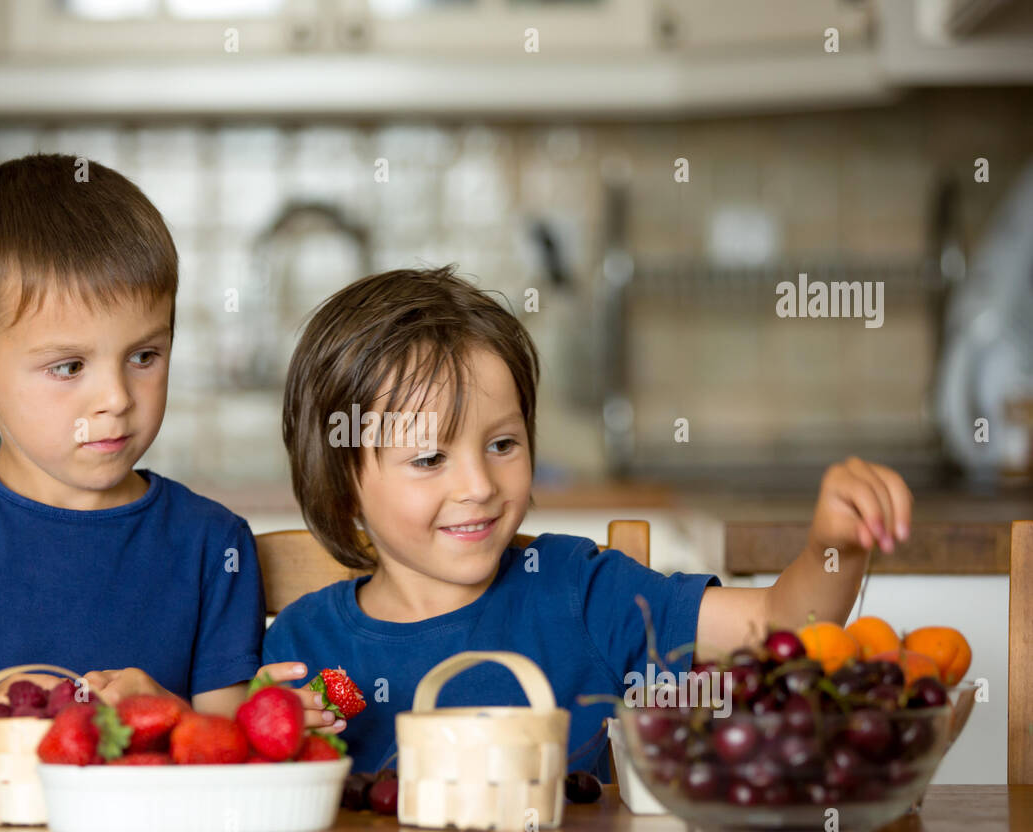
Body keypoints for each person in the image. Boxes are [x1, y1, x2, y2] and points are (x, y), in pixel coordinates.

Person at [265, 265, 914, 777]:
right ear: (344, 484)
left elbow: (782, 627)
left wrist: (837, 548)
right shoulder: (309, 648)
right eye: (430, 458)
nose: (480, 486)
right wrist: (275, 727)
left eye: (502, 445)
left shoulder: (581, 593)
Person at [0, 154, 319, 797]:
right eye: (67, 366)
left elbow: (230, 758)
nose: (115, 397)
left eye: (144, 356)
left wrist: (165, 713)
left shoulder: (212, 543)